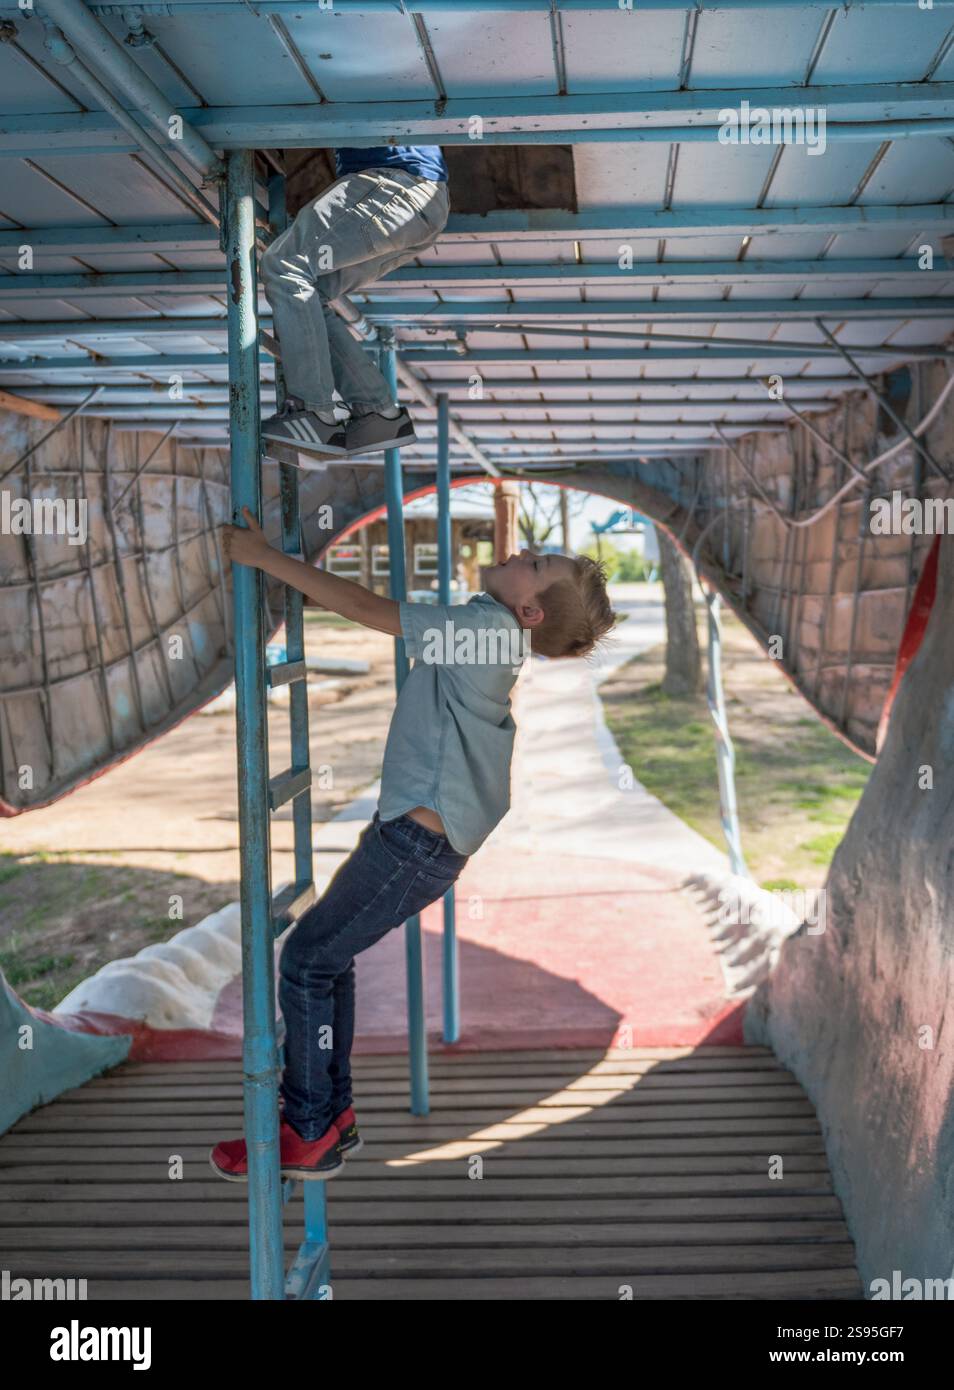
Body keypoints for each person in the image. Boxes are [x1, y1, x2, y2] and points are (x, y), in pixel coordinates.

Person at [210, 512, 617, 1181]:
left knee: (307, 962)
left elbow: (370, 608)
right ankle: (328, 1116)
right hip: (416, 841)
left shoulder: (489, 632)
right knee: (326, 961)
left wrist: (260, 557)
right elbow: (395, 606)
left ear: (531, 609)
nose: (523, 550)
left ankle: (309, 1125)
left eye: (536, 562)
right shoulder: (494, 623)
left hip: (412, 845)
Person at [259, 146, 450, 458]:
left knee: (284, 265)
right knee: (311, 290)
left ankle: (314, 411)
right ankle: (377, 413)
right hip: (419, 203)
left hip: (394, 186)